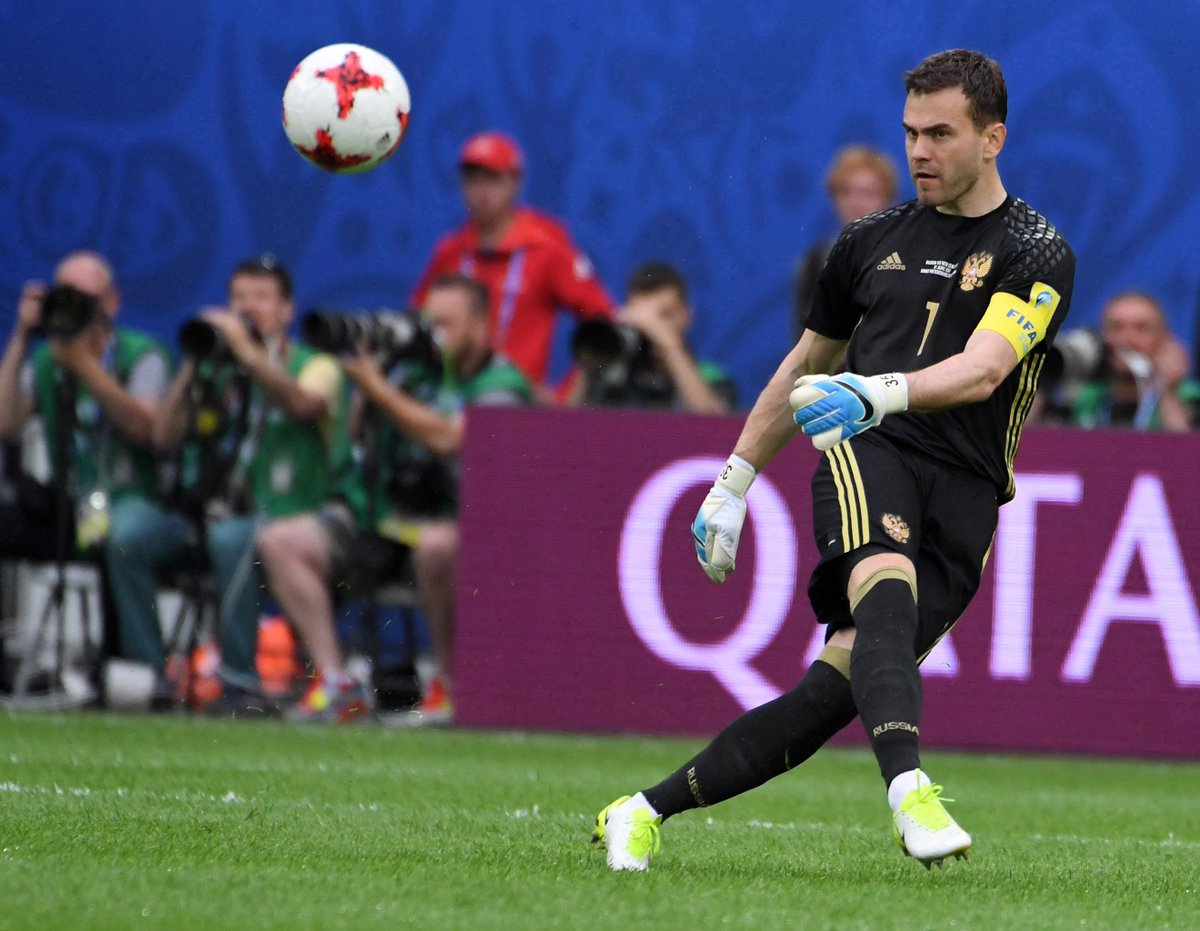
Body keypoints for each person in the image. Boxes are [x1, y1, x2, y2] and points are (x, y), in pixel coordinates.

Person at [592, 49, 1076, 872]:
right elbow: (804, 364)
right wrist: (733, 480)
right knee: (885, 593)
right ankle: (911, 793)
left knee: (831, 695)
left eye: (942, 134)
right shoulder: (866, 243)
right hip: (868, 447)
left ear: (993, 137)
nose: (921, 151)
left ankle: (638, 810)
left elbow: (986, 368)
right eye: (911, 133)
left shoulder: (1036, 250)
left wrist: (875, 388)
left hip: (964, 490)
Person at [257, 274, 531, 724]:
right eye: (429, 322)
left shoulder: (501, 382)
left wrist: (381, 390)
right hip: (384, 523)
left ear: (481, 325)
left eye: (448, 323)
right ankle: (334, 680)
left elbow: (448, 439)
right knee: (281, 541)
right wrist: (372, 381)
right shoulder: (410, 373)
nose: (434, 333)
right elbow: (349, 437)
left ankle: (447, 683)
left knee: (436, 545)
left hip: (464, 535)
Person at [149, 256, 351, 713]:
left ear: (287, 310)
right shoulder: (224, 369)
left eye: (261, 297)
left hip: (316, 511)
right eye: (239, 297)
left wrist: (247, 353)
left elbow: (301, 405)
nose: (249, 307)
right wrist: (193, 365)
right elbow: (163, 437)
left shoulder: (316, 365)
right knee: (216, 534)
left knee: (233, 538)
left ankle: (240, 682)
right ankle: (156, 672)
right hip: (240, 511)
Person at [0, 251, 172, 692]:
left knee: (124, 535)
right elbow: (5, 422)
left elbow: (142, 427)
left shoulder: (143, 354)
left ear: (110, 303)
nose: (72, 306)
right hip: (70, 505)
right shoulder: (45, 360)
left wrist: (85, 367)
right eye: (65, 296)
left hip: (135, 501)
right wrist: (22, 335)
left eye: (84, 297)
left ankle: (142, 673)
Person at [409, 131, 615, 400]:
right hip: (453, 400)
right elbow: (418, 324)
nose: (481, 192)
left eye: (492, 180)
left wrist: (566, 395)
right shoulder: (451, 251)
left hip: (518, 404)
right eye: (472, 180)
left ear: (515, 183)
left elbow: (604, 323)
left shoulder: (545, 246)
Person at [565, 262, 737, 413]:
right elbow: (567, 427)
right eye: (643, 317)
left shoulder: (711, 377)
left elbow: (713, 426)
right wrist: (600, 349)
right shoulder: (612, 377)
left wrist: (670, 347)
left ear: (687, 315)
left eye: (664, 316)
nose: (651, 327)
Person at [794, 146, 899, 338]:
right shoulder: (814, 263)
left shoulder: (909, 258)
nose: (855, 202)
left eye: (868, 192)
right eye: (846, 192)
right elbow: (803, 341)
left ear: (889, 198)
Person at [1069, 291, 1198, 431]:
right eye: (1116, 327)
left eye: (1141, 328)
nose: (1126, 340)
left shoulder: (1191, 399)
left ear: (1164, 339)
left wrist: (1169, 395)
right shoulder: (1082, 398)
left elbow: (1186, 450)